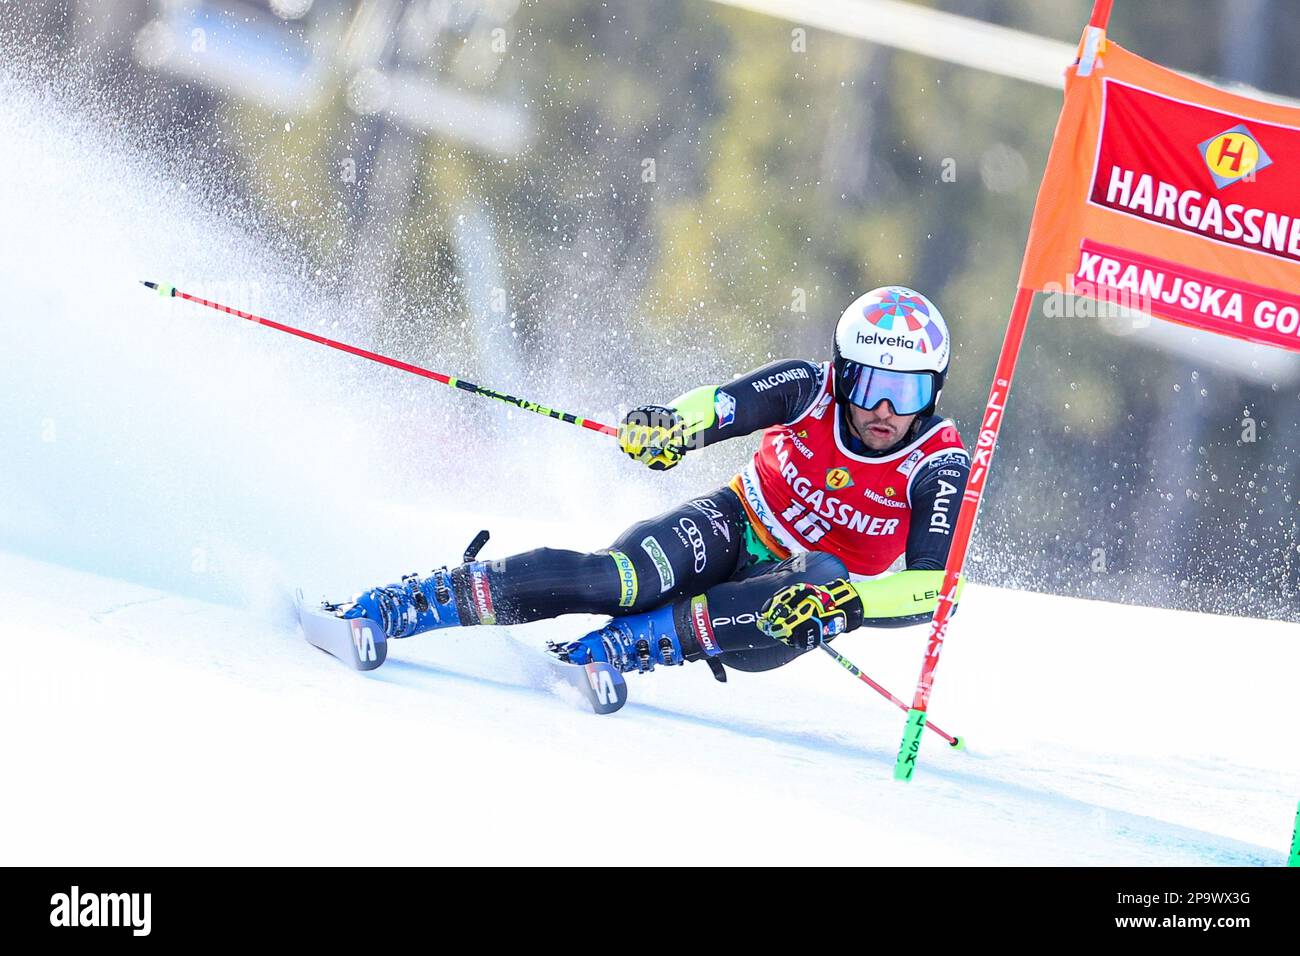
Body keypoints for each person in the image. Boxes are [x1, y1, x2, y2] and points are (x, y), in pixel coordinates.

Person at [332, 286, 969, 680]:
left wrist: (851, 606)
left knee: (823, 579)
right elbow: (720, 405)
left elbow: (936, 589)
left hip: (786, 603)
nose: (884, 409)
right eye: (868, 384)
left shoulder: (936, 462)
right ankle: (417, 600)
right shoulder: (809, 387)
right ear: (843, 371)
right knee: (618, 580)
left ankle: (630, 646)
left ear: (934, 391)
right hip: (736, 522)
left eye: (907, 392)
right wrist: (671, 425)